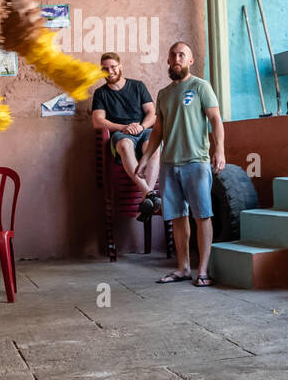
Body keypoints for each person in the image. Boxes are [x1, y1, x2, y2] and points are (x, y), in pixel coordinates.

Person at [137, 42, 225, 287]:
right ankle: (182, 268)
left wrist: (219, 149)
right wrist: (145, 159)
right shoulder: (163, 94)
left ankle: (203, 271)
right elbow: (158, 131)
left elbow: (215, 119)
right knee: (177, 217)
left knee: (203, 215)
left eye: (181, 55)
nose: (177, 58)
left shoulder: (200, 87)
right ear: (167, 61)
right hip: (169, 164)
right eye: (173, 55)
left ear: (190, 61)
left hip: (196, 162)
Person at [89, 52, 162, 218]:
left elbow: (152, 113)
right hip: (122, 135)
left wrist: (141, 126)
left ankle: (147, 199)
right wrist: (124, 128)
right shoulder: (101, 93)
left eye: (113, 67)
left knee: (153, 146)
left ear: (120, 66)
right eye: (105, 69)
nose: (110, 72)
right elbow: (97, 121)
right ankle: (149, 194)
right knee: (124, 145)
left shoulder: (138, 86)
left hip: (143, 131)